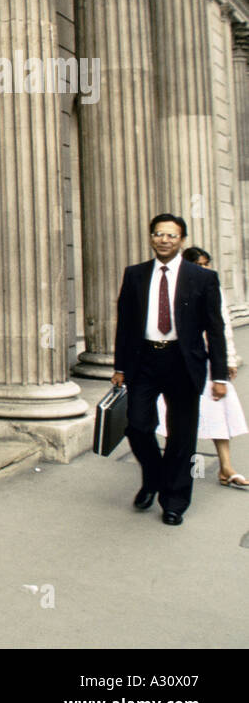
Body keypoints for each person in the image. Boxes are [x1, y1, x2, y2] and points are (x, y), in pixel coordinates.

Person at [110, 214, 228, 525]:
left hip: (183, 361)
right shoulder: (134, 275)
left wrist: (218, 374)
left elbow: (214, 329)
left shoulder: (202, 277)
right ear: (151, 238)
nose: (165, 240)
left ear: (182, 240)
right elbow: (124, 325)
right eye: (159, 234)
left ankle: (174, 500)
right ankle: (153, 478)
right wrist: (120, 366)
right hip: (144, 360)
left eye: (171, 236)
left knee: (182, 434)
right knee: (137, 425)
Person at [155, 247, 249, 490]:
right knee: (173, 413)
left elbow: (222, 325)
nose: (205, 268)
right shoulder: (173, 286)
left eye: (207, 263)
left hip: (208, 361)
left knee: (218, 409)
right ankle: (174, 466)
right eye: (200, 264)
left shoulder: (210, 285)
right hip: (179, 361)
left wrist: (228, 359)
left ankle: (226, 467)